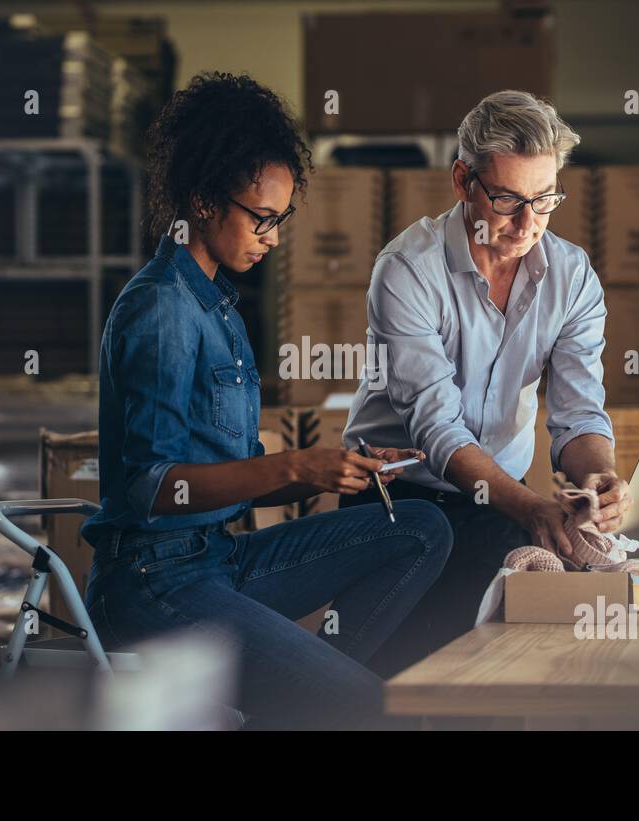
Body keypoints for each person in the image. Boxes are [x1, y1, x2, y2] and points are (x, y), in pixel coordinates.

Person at [79, 73, 452, 729]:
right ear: (201, 200)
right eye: (262, 218)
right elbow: (149, 486)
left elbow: (238, 480)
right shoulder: (163, 308)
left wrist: (341, 464)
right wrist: (294, 468)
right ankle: (318, 698)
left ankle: (297, 697)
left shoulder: (217, 304)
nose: (273, 236)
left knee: (421, 527)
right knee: (367, 704)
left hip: (217, 560)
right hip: (152, 582)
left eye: (281, 219)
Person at [341, 90, 633, 678]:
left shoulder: (571, 277)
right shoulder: (407, 270)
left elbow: (578, 416)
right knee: (387, 683)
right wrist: (529, 508)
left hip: (499, 498)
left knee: (489, 676)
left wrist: (598, 476)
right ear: (462, 181)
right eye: (506, 200)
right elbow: (437, 427)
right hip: (394, 499)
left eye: (544, 200)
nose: (527, 224)